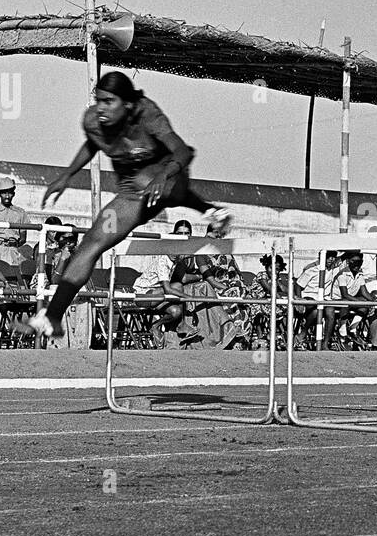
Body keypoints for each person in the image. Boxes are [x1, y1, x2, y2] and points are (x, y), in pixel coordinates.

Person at [28, 72, 231, 339]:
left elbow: (184, 151)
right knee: (92, 242)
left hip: (169, 173)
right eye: (98, 100)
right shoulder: (93, 120)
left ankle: (210, 209)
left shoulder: (149, 115)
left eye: (109, 101)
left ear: (127, 104)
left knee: (155, 181)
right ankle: (52, 317)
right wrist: (68, 174)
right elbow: (93, 144)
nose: (101, 107)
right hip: (131, 191)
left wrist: (163, 175)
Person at [0, 175, 32, 274]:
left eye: (9, 193)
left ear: (13, 194)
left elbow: (23, 238)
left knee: (10, 278)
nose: (7, 196)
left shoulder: (20, 213)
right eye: (4, 193)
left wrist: (15, 244)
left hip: (10, 249)